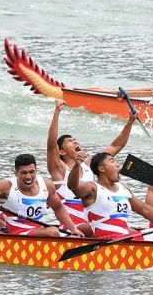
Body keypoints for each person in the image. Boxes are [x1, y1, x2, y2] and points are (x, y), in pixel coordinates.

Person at [47, 99, 139, 235]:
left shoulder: (89, 165)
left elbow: (115, 146)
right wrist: (57, 112)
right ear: (61, 152)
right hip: (72, 229)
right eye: (69, 141)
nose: (75, 141)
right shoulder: (59, 170)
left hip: (95, 226)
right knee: (125, 231)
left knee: (132, 232)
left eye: (75, 139)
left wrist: (130, 122)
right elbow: (51, 145)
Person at [68, 151, 153, 239]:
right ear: (102, 169)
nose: (118, 165)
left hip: (127, 238)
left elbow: (145, 210)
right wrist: (76, 165)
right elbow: (73, 186)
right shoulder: (92, 187)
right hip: (109, 240)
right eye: (112, 161)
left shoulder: (123, 188)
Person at [0, 154, 82, 237]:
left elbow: (58, 208)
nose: (28, 177)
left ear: (37, 170)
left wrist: (73, 229)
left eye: (32, 172)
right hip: (16, 231)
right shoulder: (6, 187)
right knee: (53, 232)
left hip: (36, 229)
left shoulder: (47, 185)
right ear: (16, 173)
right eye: (24, 173)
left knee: (74, 236)